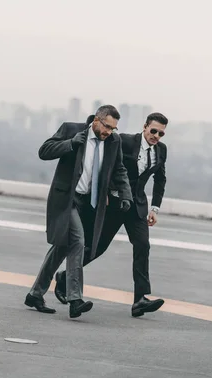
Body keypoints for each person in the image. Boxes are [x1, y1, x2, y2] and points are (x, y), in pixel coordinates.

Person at [53, 112, 169, 318]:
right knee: (97, 247)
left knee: (143, 246)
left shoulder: (161, 150)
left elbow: (160, 180)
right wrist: (103, 191)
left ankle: (140, 300)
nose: (156, 136)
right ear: (145, 127)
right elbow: (105, 165)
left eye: (161, 133)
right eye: (153, 131)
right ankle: (64, 277)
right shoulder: (123, 140)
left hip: (137, 207)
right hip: (114, 204)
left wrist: (155, 208)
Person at [24, 105, 133, 318]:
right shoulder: (72, 130)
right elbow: (44, 151)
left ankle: (35, 294)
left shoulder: (113, 142)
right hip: (66, 199)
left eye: (113, 129)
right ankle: (75, 299)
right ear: (96, 121)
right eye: (107, 127)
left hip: (89, 203)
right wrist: (70, 144)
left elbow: (119, 169)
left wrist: (126, 194)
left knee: (61, 248)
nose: (109, 132)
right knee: (78, 242)